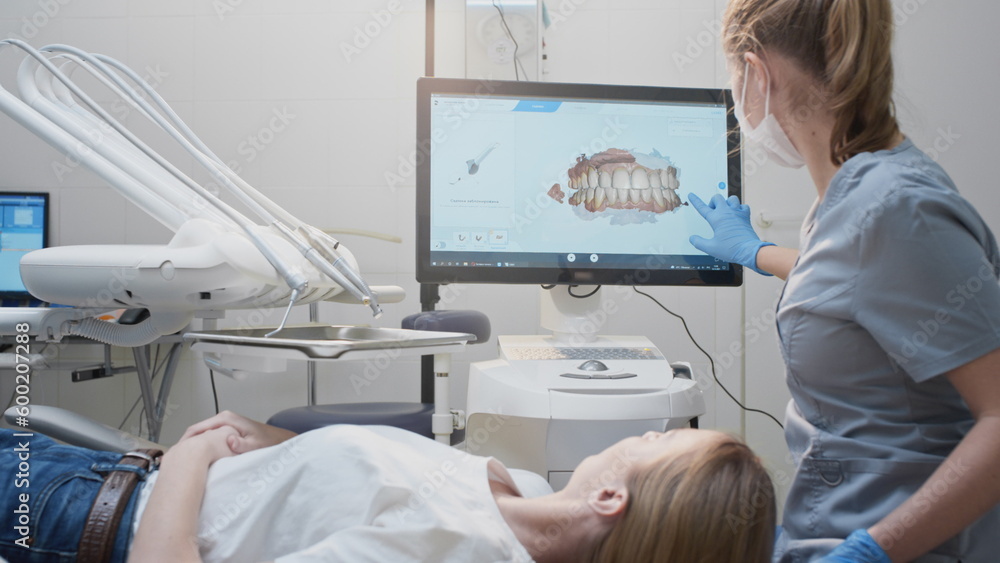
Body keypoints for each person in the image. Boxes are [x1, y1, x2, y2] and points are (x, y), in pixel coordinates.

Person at [688, 0, 1000, 561]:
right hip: (834, 531)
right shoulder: (860, 186)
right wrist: (758, 253)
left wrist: (873, 549)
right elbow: (868, 285)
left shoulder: (897, 206)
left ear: (756, 74)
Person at [0, 411, 776, 562]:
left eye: (658, 440)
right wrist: (269, 439)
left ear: (611, 498)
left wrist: (190, 457)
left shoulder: (451, 547)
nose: (643, 431)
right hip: (98, 477)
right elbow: (349, 488)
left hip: (74, 519)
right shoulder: (518, 487)